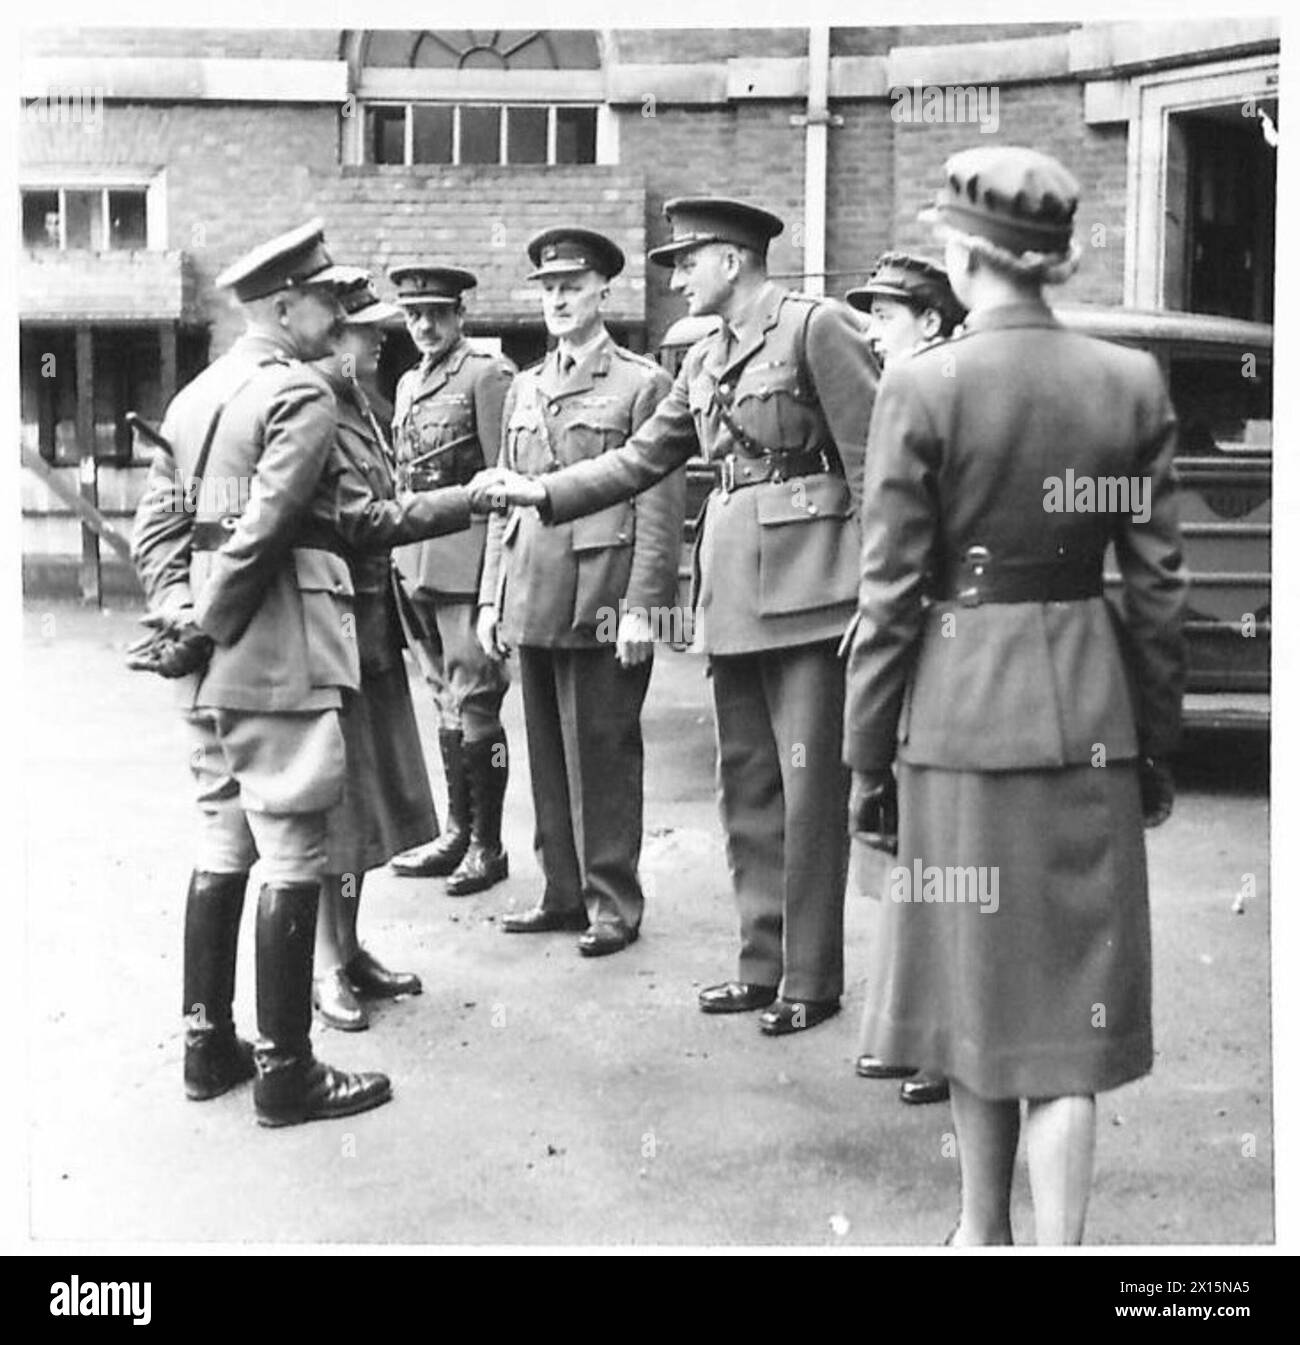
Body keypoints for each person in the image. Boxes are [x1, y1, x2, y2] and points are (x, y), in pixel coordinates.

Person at [843, 146, 1187, 1243]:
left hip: (958, 721)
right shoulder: (1125, 381)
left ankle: (976, 1231)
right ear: (1054, 258)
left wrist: (863, 757)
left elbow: (890, 593)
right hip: (1088, 720)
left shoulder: (921, 383)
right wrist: (1153, 746)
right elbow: (1154, 589)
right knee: (1066, 1018)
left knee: (969, 993)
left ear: (957, 253)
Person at [473, 197, 877, 1033]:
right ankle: (761, 966)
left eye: (687, 260)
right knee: (750, 790)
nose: (677, 275)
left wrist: (880, 597)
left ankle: (812, 978)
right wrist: (541, 490)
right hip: (734, 594)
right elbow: (639, 459)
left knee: (809, 794)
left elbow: (878, 466)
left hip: (815, 593)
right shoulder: (704, 360)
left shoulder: (815, 328)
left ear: (733, 261)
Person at [130, 219, 392, 1127]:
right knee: (293, 847)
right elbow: (269, 528)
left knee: (221, 840)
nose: (338, 312)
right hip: (275, 644)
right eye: (326, 298)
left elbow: (157, 530)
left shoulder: (199, 393)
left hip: (203, 660)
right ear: (286, 304)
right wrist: (206, 625)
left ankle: (209, 1047)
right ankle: (288, 1071)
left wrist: (178, 613)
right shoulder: (303, 394)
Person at [477, 228, 683, 957]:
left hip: (601, 595)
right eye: (548, 287)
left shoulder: (641, 383)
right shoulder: (526, 386)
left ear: (604, 292)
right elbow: (505, 500)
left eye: (573, 285)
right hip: (532, 592)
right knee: (546, 757)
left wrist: (643, 610)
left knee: (603, 754)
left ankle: (614, 904)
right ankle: (561, 891)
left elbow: (656, 508)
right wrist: (489, 599)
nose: (558, 298)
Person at [311, 271, 479, 1029]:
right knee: (336, 808)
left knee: (372, 801)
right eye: (367, 330)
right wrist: (466, 499)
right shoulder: (318, 407)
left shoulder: (357, 406)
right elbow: (363, 517)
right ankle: (322, 967)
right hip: (332, 637)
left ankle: (348, 949)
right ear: (332, 337)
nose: (382, 338)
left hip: (369, 629)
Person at [843, 252, 966, 1108]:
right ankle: (913, 1026)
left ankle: (944, 1042)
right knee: (916, 855)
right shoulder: (918, 386)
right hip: (924, 635)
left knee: (935, 851)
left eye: (885, 316)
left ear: (928, 319)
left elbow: (908, 556)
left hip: (933, 643)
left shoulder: (928, 394)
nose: (873, 333)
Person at [386, 265, 515, 896]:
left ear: (460, 313)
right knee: (442, 697)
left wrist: (496, 580)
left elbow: (502, 485)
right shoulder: (410, 383)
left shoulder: (486, 376)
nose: (425, 326)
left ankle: (489, 846)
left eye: (437, 312)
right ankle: (456, 832)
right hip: (416, 559)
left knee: (478, 701)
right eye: (413, 315)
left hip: (466, 560)